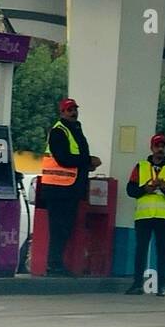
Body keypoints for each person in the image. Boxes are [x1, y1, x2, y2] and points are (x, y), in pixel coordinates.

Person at [39, 98, 102, 276]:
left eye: (74, 109)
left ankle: (57, 263)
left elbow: (75, 156)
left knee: (65, 227)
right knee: (59, 228)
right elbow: (64, 158)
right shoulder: (59, 132)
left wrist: (86, 165)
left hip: (70, 188)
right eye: (69, 110)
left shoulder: (75, 130)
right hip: (58, 189)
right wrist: (88, 161)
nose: (73, 112)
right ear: (62, 112)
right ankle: (53, 265)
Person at [124, 133, 165, 296]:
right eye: (157, 146)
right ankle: (137, 284)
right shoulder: (141, 167)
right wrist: (144, 189)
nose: (160, 149)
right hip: (144, 216)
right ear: (151, 148)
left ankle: (161, 286)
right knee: (141, 250)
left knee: (162, 252)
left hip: (164, 217)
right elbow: (130, 190)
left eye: (163, 146)